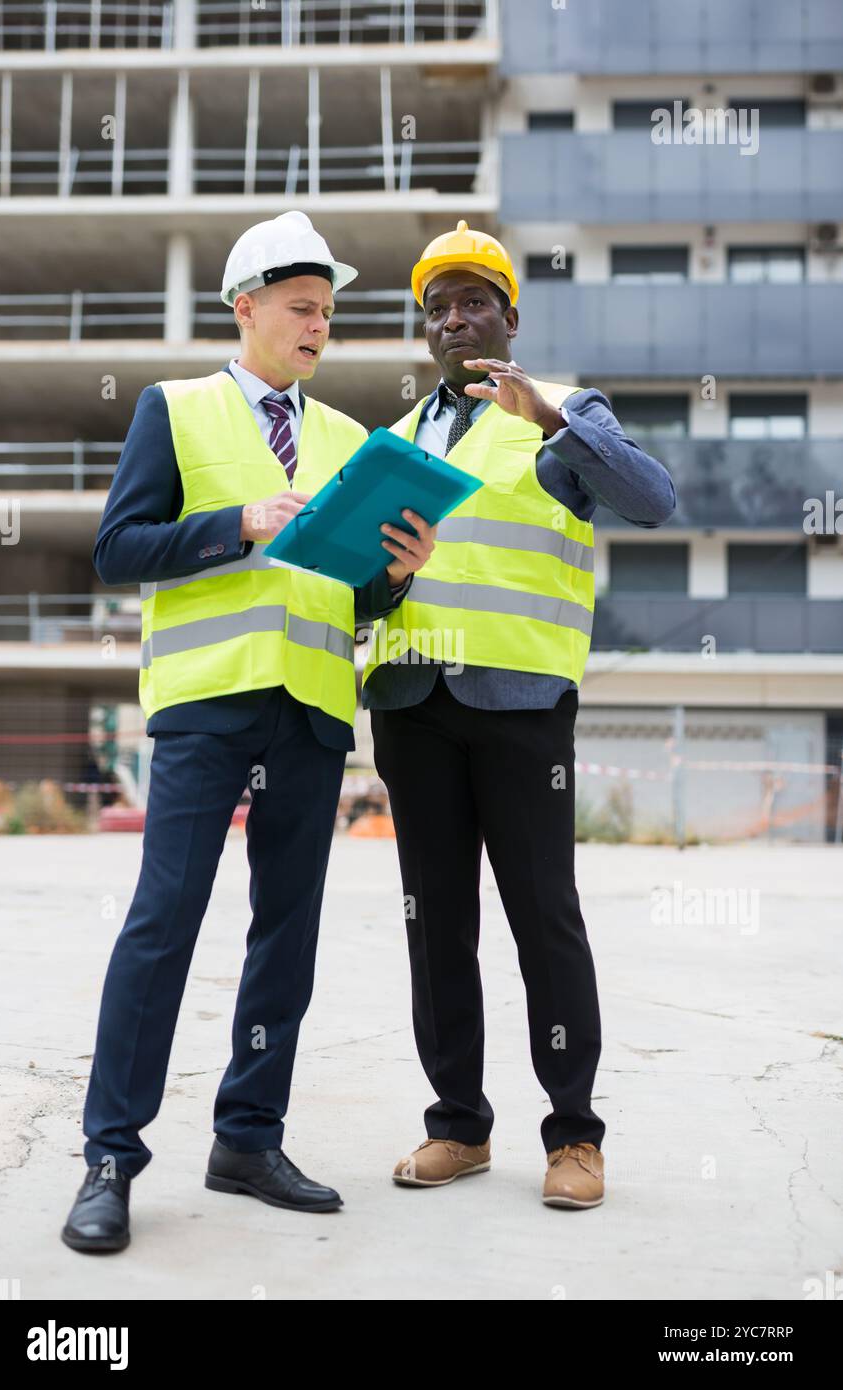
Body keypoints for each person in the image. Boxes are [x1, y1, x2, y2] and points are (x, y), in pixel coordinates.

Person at [61, 211, 435, 1253]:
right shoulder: (173, 410)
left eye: (328, 312)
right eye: (302, 308)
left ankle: (248, 1138)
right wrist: (238, 525)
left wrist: (394, 575)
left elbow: (354, 603)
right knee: (163, 918)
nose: (319, 326)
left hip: (310, 709)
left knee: (286, 933)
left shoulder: (354, 442)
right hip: (207, 703)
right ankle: (108, 1158)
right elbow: (117, 549)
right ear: (247, 309)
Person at [361, 220, 677, 1208]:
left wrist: (549, 416)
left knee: (544, 920)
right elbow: (360, 592)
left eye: (473, 301)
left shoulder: (562, 414)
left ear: (508, 313)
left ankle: (572, 1135)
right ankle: (457, 1124)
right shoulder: (393, 442)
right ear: (426, 329)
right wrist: (380, 579)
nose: (455, 319)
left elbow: (654, 499)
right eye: (438, 307)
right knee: (435, 926)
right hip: (412, 707)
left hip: (521, 711)